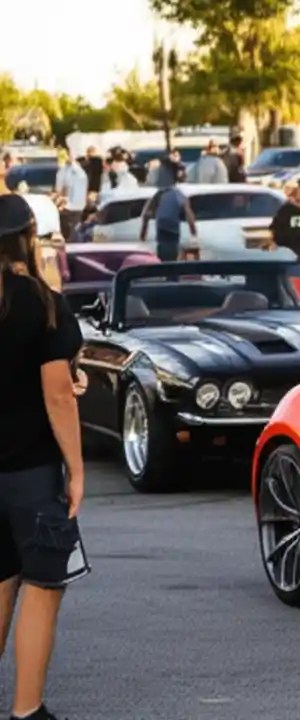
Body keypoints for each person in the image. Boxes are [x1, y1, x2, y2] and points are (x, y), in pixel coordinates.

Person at [0, 195, 91, 720]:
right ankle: (27, 710)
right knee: (42, 584)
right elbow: (57, 393)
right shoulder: (43, 303)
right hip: (31, 475)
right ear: (29, 238)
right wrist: (77, 471)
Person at [139, 172, 197, 261]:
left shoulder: (159, 194)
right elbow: (189, 213)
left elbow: (147, 214)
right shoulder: (178, 194)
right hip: (173, 232)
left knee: (164, 259)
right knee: (172, 258)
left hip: (162, 231)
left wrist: (143, 232)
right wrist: (193, 231)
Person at [53, 155, 87, 243]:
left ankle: (70, 241)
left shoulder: (64, 171)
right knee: (75, 227)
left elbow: (61, 188)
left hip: (69, 205)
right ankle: (73, 242)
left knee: (67, 226)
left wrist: (60, 199)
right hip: (78, 205)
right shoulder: (82, 173)